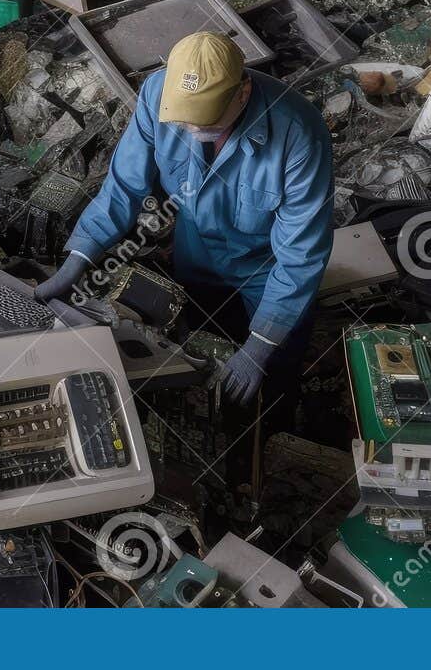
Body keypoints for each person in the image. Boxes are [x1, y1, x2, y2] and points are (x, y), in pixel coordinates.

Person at [36, 32, 335, 417]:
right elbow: (123, 188)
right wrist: (78, 258)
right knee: (200, 353)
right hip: (195, 254)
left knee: (270, 374)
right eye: (184, 120)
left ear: (242, 93)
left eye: (206, 120)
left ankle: (274, 428)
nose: (192, 130)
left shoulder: (298, 134)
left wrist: (260, 344)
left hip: (268, 271)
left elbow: (299, 256)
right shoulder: (156, 93)